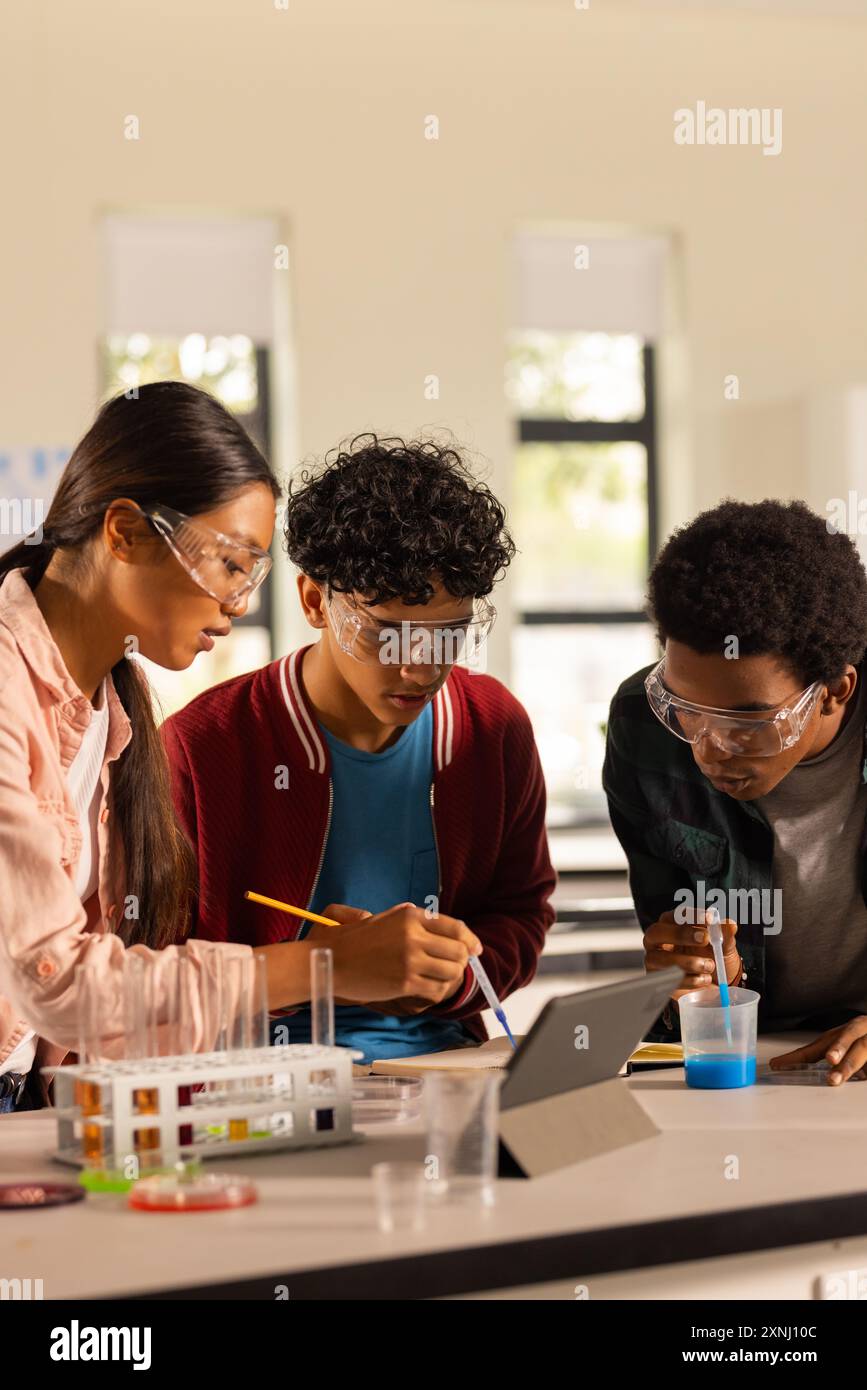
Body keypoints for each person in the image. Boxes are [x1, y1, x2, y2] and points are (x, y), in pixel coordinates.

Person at [0, 384, 403, 1111]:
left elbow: (98, 1012)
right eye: (229, 562)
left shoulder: (116, 709)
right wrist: (318, 965)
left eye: (254, 572)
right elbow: (58, 982)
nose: (241, 601)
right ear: (123, 532)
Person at [163, 434, 556, 1063]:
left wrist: (450, 979)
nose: (420, 669)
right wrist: (324, 969)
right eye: (388, 635)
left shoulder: (492, 726)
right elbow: (162, 972)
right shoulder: (204, 744)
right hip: (262, 1076)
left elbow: (522, 913)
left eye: (448, 635)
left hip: (446, 1062)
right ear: (316, 601)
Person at [603, 498, 867, 1084]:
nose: (709, 749)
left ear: (834, 690)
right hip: (752, 1062)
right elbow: (684, 988)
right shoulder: (641, 727)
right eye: (687, 710)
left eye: (749, 720)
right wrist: (681, 973)